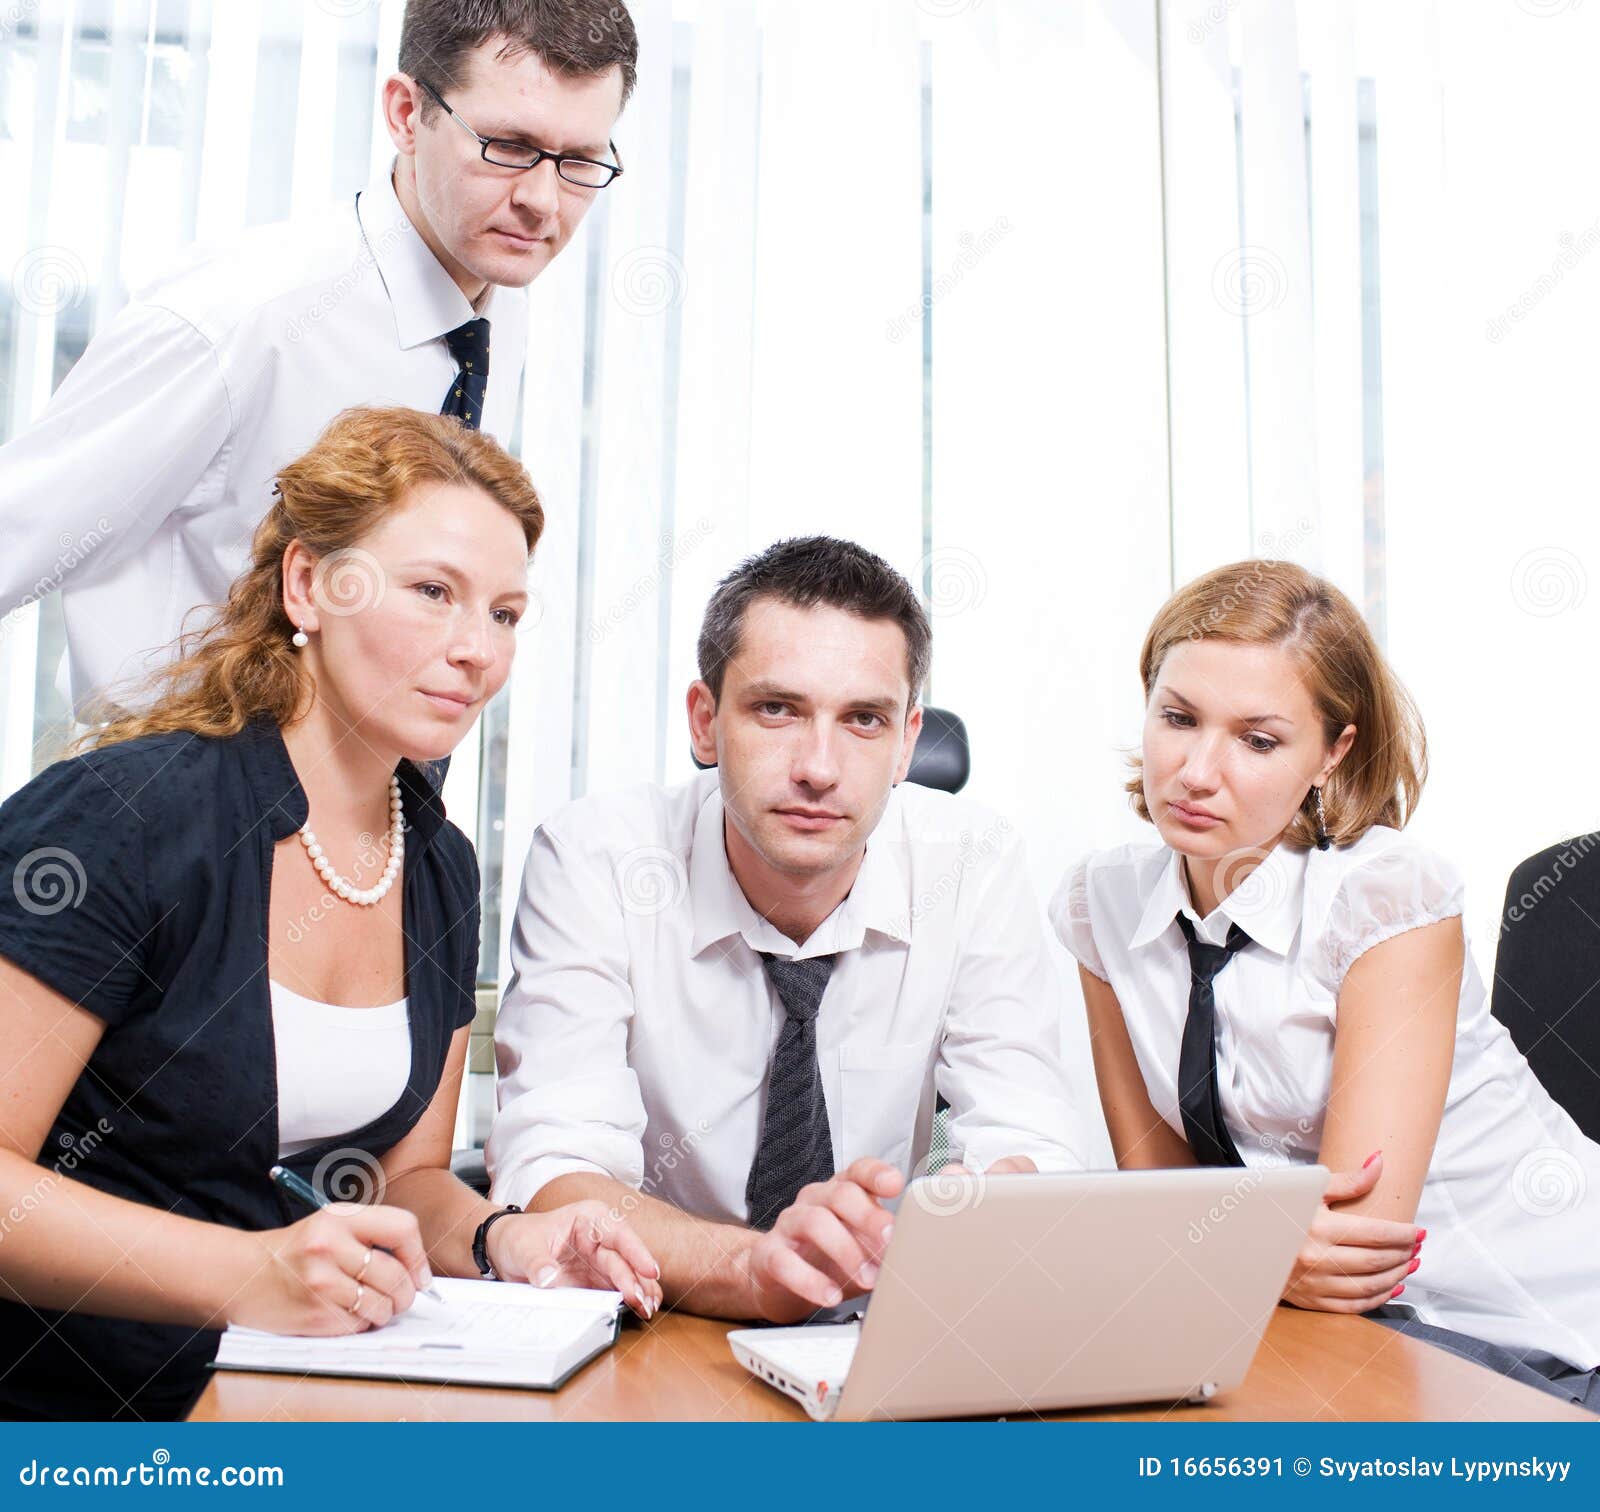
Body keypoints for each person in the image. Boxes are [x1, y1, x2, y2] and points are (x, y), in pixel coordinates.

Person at [0, 407, 658, 1423]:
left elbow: (407, 1184)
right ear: (307, 585)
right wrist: (247, 1272)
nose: (475, 650)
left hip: (298, 1401)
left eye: (505, 614)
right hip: (73, 1414)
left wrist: (505, 1239)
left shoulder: (436, 864)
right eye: (434, 593)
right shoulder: (122, 822)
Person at [487, 535, 1083, 1325]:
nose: (818, 768)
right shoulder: (598, 857)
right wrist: (750, 1268)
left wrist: (999, 1205)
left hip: (882, 1335)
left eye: (864, 720)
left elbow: (1030, 1131)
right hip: (661, 1325)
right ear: (705, 721)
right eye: (777, 709)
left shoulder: (971, 862)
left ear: (908, 742)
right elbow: (557, 1169)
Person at [1052, 558, 1599, 1408]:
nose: (1197, 770)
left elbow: (1357, 1253)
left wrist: (1218, 1246)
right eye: (1178, 717)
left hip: (1531, 1331)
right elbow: (1156, 1198)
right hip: (1322, 1332)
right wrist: (1249, 1249)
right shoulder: (1101, 904)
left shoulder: (1390, 899)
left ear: (1332, 751)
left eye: (1257, 739)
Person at [0, 0, 637, 719]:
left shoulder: (498, 300)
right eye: (508, 146)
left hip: (356, 812)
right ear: (405, 114)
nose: (541, 202)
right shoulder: (240, 313)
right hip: (172, 798)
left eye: (580, 160)